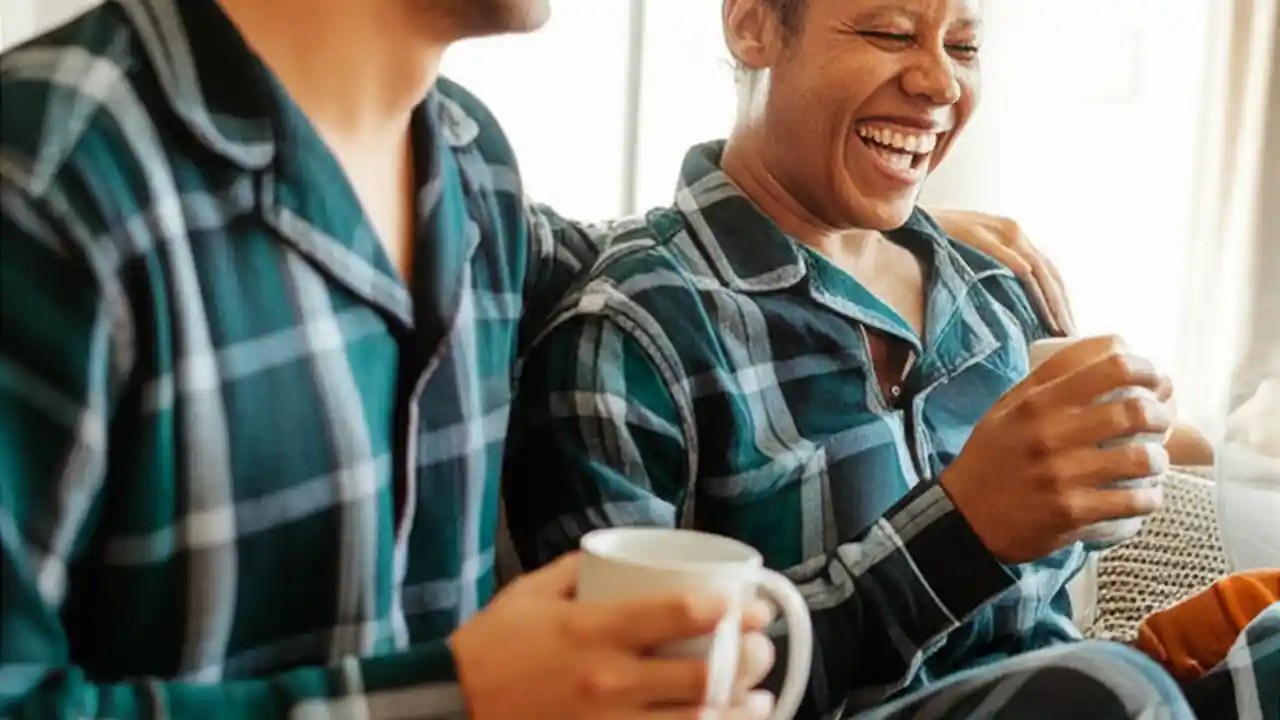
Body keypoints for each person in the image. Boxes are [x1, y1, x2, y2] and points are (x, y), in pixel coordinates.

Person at [0, 0, 1076, 717]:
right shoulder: (46, 174)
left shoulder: (472, 169)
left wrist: (878, 247)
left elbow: (653, 263)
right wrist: (456, 698)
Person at [503, 0, 1278, 718]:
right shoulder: (635, 331)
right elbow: (624, 689)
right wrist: (962, 532)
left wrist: (1119, 455)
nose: (940, 80)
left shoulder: (988, 294)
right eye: (890, 32)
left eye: (964, 45)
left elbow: (1050, 622)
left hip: (1076, 690)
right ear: (753, 26)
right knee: (1108, 689)